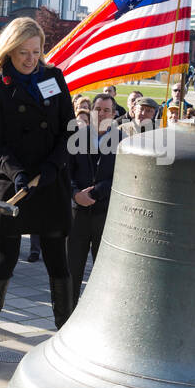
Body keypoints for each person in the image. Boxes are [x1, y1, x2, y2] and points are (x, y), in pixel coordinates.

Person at [0, 16, 75, 369]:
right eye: (23, 52)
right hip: (10, 181)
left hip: (50, 180)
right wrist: (18, 174)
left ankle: (66, 339)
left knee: (57, 262)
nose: (31, 59)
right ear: (10, 49)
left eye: (37, 52)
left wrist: (51, 168)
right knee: (5, 260)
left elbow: (69, 131)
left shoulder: (54, 77)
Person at [67, 93, 120, 300]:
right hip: (77, 215)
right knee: (72, 270)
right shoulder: (75, 139)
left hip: (105, 217)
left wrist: (96, 193)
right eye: (98, 109)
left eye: (107, 110)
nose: (102, 113)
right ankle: (67, 316)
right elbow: (65, 174)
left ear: (114, 114)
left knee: (103, 273)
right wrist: (75, 194)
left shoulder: (122, 143)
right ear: (91, 111)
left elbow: (122, 177)